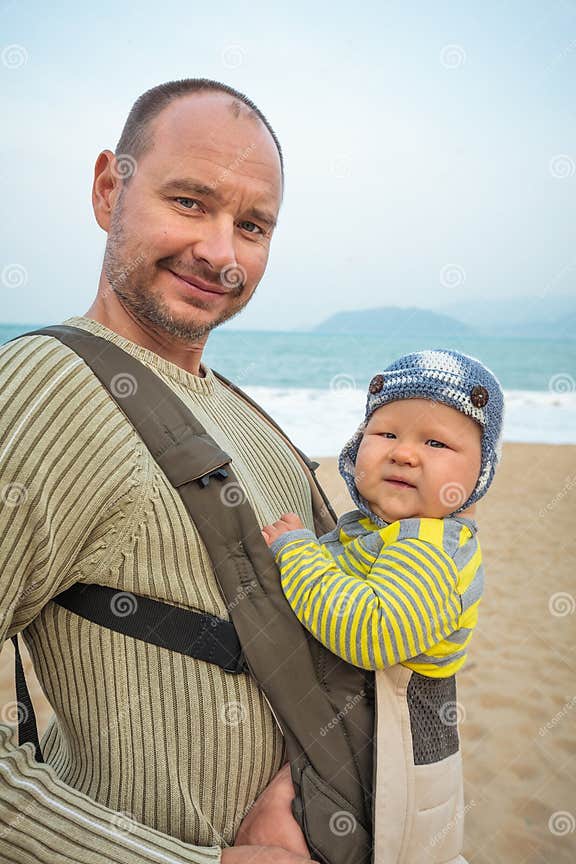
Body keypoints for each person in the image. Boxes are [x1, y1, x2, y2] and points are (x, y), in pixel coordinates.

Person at [0, 79, 314, 864]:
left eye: (251, 225)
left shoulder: (244, 413)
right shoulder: (47, 386)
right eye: (189, 202)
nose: (220, 252)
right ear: (111, 188)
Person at [261, 350, 504, 860]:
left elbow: (369, 632)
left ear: (478, 474)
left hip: (397, 757)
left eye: (436, 443)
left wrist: (297, 550)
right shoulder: (379, 532)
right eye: (387, 434)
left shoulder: (431, 547)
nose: (404, 454)